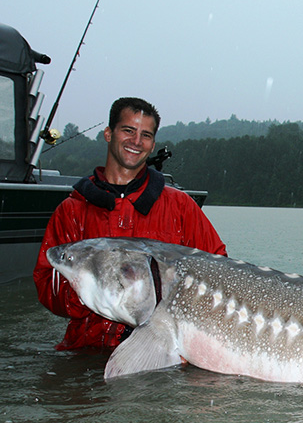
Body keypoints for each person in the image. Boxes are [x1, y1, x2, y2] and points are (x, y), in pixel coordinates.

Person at [33, 97, 226, 350]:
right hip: (88, 348)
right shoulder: (72, 210)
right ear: (108, 133)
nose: (136, 141)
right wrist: (88, 290)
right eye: (128, 130)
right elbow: (46, 282)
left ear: (152, 144)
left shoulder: (180, 206)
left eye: (145, 135)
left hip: (162, 349)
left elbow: (220, 272)